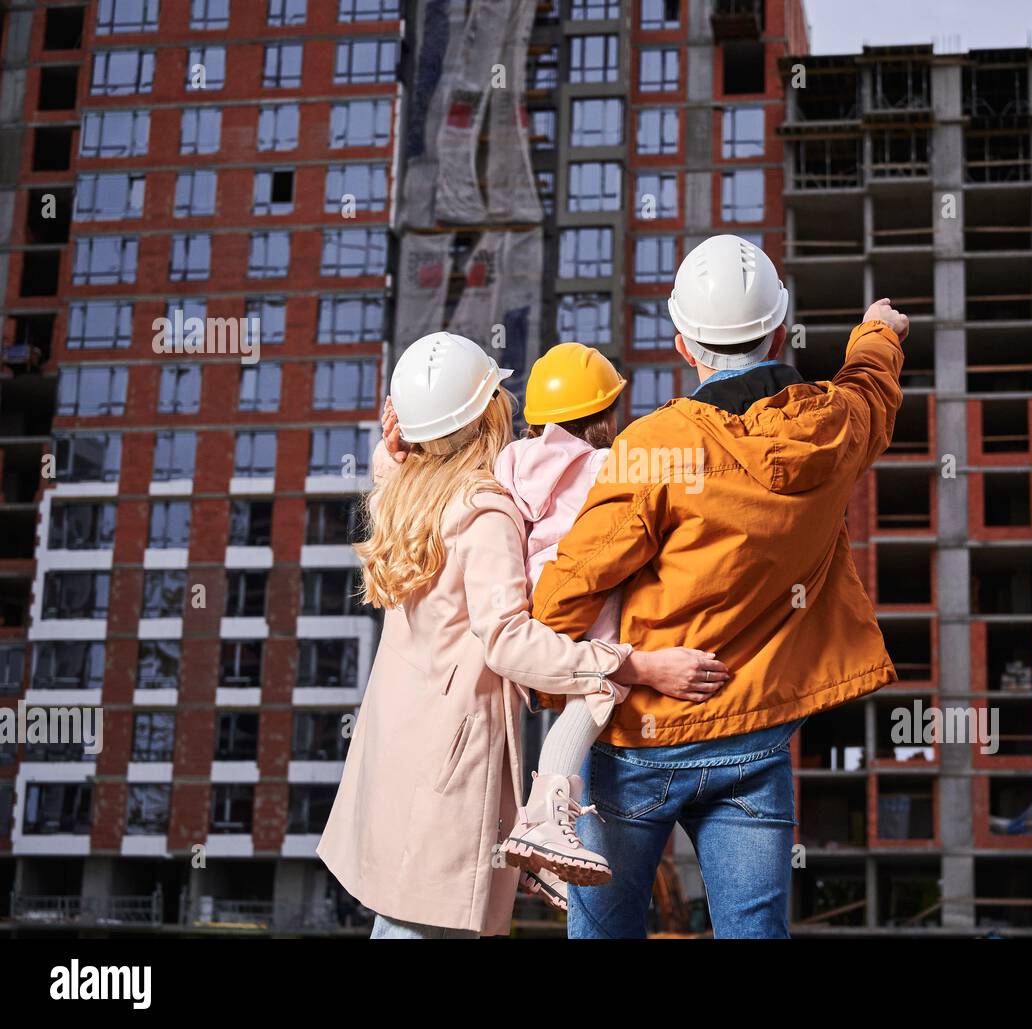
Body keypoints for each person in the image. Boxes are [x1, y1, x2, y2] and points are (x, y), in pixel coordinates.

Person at [531, 234, 909, 938]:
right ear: (776, 329)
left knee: (604, 931)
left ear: (683, 343)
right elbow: (872, 391)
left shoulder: (654, 446)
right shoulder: (833, 430)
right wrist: (879, 333)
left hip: (641, 737)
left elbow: (572, 587)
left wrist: (556, 674)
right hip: (756, 739)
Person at [317, 331, 728, 939]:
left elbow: (394, 466)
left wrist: (396, 446)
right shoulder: (486, 513)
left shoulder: (405, 490)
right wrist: (633, 667)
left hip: (396, 750)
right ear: (492, 411)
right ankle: (542, 825)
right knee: (423, 923)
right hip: (450, 766)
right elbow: (508, 642)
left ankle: (537, 832)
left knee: (400, 914)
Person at [491, 342, 730, 911]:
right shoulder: (606, 463)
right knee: (602, 687)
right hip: (584, 588)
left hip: (535, 602)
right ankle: (547, 818)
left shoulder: (509, 463)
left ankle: (546, 854)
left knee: (582, 693)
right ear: (603, 414)